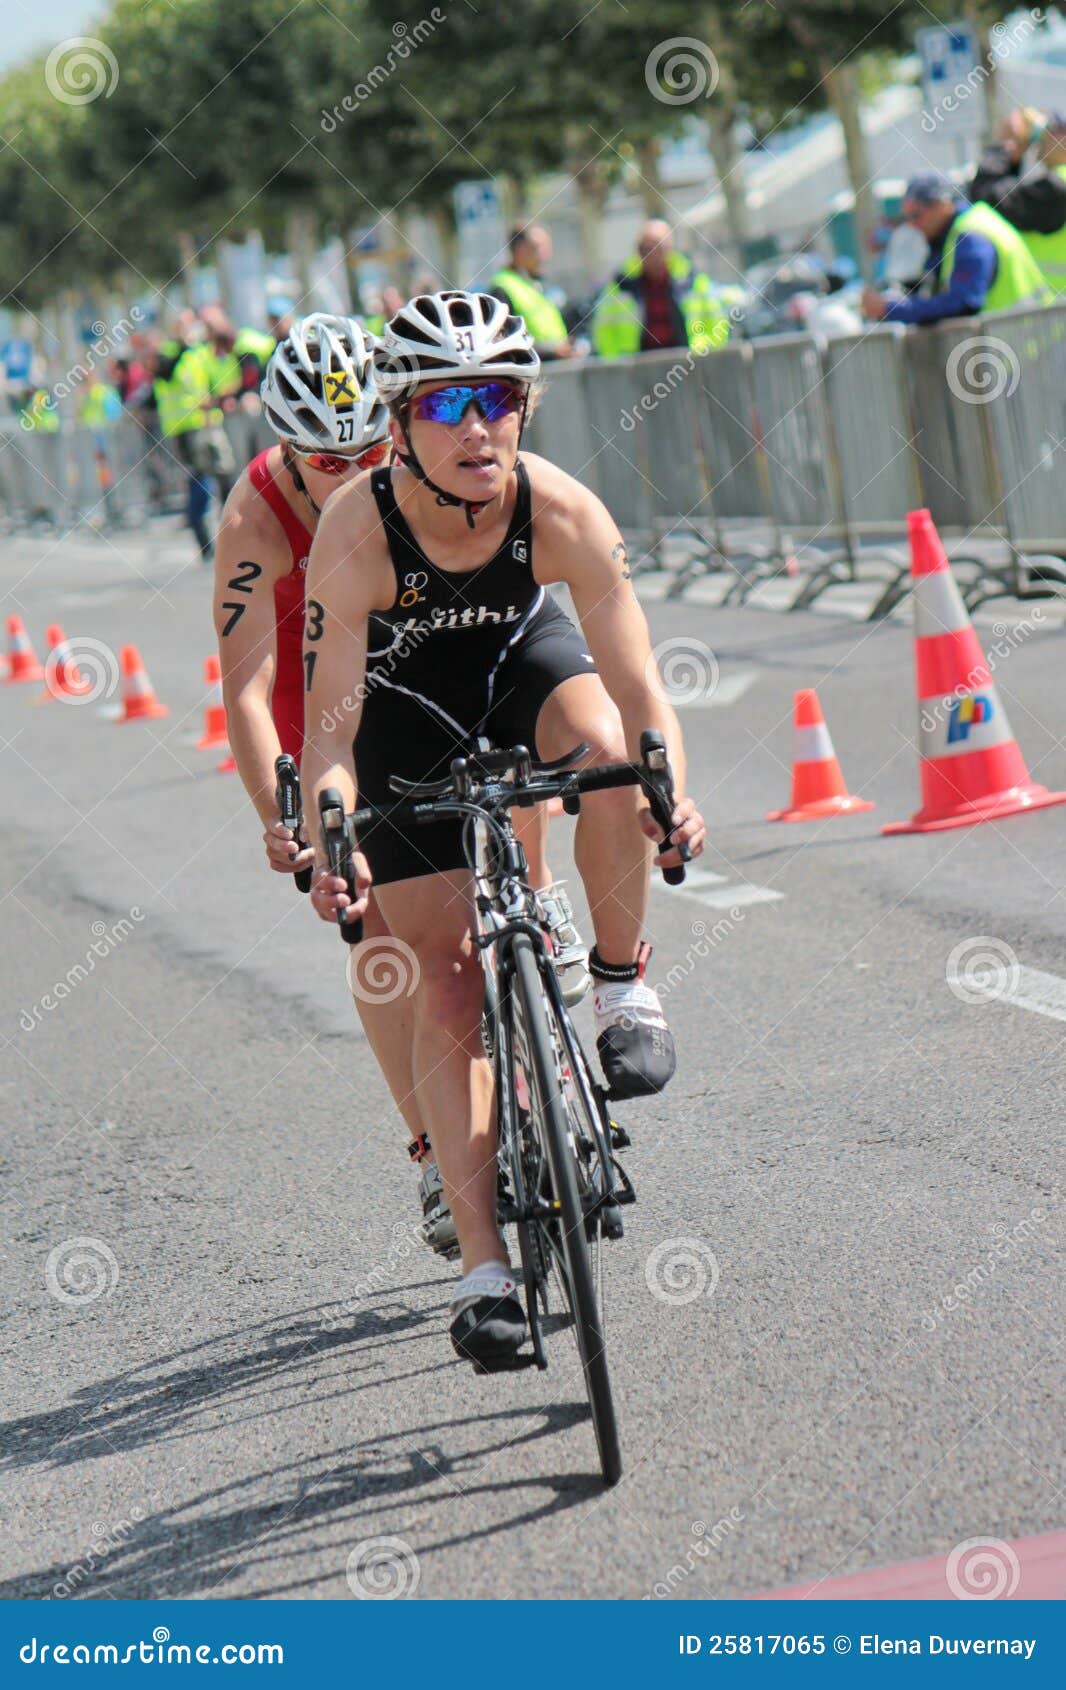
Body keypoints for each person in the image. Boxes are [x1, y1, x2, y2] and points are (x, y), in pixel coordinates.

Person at [300, 291, 705, 1366]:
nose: (477, 425)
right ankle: (484, 1274)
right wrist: (331, 836)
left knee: (603, 754)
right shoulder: (354, 532)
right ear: (399, 425)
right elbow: (328, 732)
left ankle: (620, 984)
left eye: (497, 399)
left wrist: (672, 790)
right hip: (399, 711)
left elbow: (639, 683)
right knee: (440, 982)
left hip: (521, 663)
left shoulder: (560, 508)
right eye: (446, 403)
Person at [213, 312, 583, 1262]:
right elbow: (248, 692)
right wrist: (283, 819)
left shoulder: (419, 471)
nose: (350, 476)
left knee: (507, 760)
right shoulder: (255, 520)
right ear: (286, 451)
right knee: (377, 931)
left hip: (430, 638)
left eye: (367, 453)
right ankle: (432, 1149)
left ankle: (538, 901)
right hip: (326, 684)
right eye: (322, 464)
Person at [861, 169, 1048, 325]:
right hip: (1021, 343)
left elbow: (963, 303)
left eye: (916, 215)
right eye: (907, 217)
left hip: (1027, 347)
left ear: (942, 204)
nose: (913, 225)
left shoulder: (971, 236)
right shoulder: (956, 233)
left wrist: (890, 309)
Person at [153, 329, 235, 561]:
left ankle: (228, 539)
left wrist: (219, 399)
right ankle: (206, 543)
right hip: (187, 429)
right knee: (202, 483)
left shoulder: (200, 355)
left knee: (223, 480)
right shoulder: (172, 354)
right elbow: (164, 374)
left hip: (204, 425)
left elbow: (223, 380)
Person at [591, 220, 728, 357]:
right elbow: (602, 330)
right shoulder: (621, 286)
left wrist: (701, 353)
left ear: (670, 249)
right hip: (638, 369)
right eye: (644, 248)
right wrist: (619, 362)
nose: (651, 254)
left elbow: (718, 324)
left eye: (657, 247)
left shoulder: (693, 281)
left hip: (686, 364)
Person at [970, 109, 1066, 296]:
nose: (1041, 140)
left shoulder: (1057, 189)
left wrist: (1007, 147)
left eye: (1051, 130)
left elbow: (987, 199)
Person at [491, 225, 574, 359]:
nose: (545, 255)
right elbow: (502, 340)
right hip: (530, 371)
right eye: (537, 248)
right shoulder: (502, 288)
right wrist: (550, 351)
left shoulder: (537, 284)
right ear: (519, 250)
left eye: (547, 248)